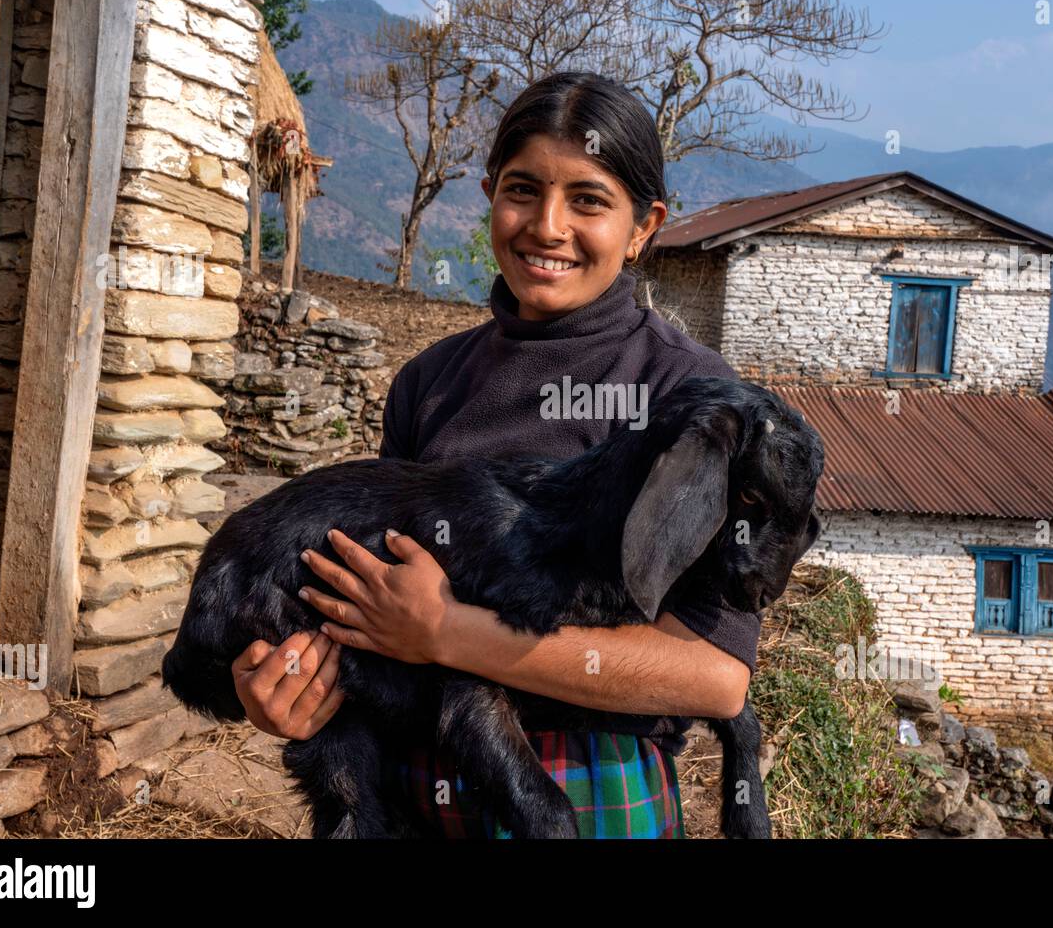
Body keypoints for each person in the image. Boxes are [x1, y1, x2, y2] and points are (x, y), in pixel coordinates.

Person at [230, 71, 759, 838]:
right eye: (523, 189)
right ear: (488, 196)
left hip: (588, 789)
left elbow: (714, 677)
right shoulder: (431, 383)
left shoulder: (686, 395)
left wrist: (453, 634)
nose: (547, 226)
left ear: (645, 226)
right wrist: (285, 690)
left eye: (589, 200)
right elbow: (369, 606)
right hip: (407, 778)